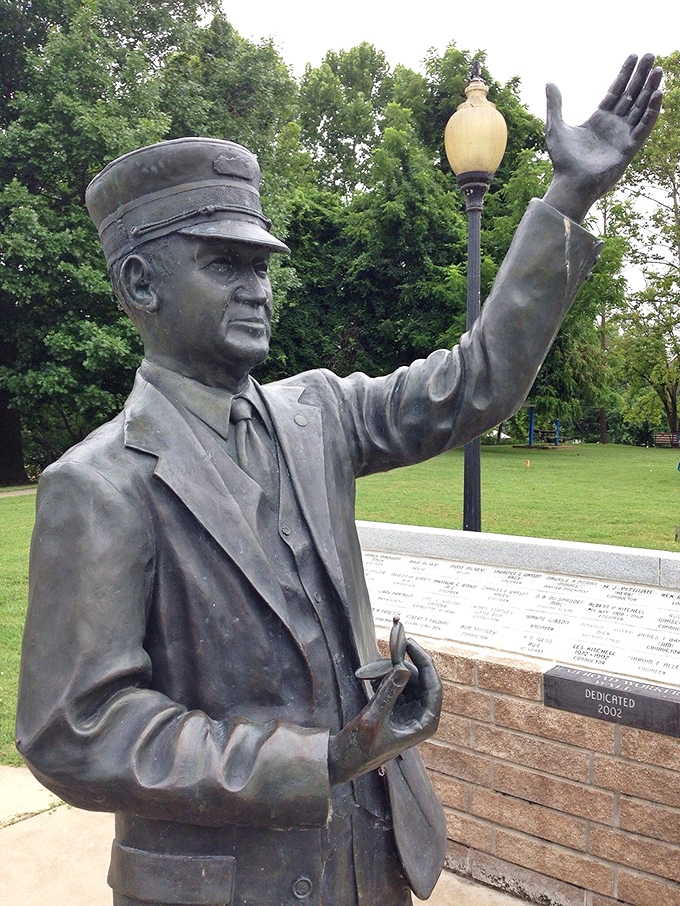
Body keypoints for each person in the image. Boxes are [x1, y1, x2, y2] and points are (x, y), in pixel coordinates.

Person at [16, 55, 661, 906]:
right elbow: (77, 730)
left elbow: (478, 380)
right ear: (139, 282)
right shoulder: (98, 486)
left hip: (375, 862)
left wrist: (566, 201)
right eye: (225, 266)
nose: (259, 290)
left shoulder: (319, 412)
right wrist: (316, 760)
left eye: (263, 267)